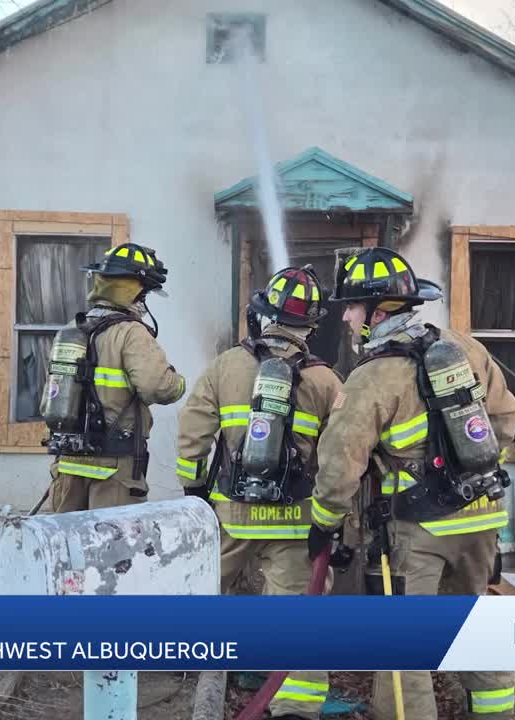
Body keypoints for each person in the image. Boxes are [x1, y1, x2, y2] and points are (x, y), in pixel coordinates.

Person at [308, 247, 515, 720]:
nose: (346, 318)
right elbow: (506, 417)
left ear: (377, 312)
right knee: (471, 621)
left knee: (404, 643)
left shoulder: (372, 376)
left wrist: (324, 523)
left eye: (353, 308)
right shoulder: (465, 348)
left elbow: (340, 462)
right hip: (481, 515)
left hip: (415, 527)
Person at [175, 266, 343, 720]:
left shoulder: (226, 365)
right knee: (299, 615)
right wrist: (333, 518)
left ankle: (191, 666)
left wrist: (195, 492)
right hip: (295, 521)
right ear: (312, 324)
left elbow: (193, 432)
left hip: (232, 512)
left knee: (205, 586)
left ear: (263, 314)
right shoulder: (327, 381)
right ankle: (295, 706)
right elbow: (342, 455)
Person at [41, 242, 186, 512]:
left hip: (68, 461)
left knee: (67, 544)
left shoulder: (72, 330)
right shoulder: (131, 332)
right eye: (146, 294)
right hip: (113, 463)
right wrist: (179, 383)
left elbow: (50, 396)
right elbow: (158, 388)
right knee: (111, 546)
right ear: (137, 291)